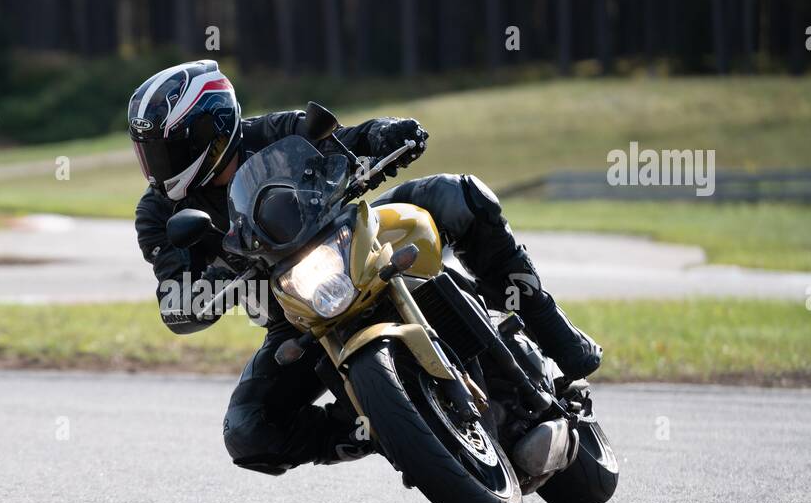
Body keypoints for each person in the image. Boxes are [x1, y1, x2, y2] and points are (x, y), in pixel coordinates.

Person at [130, 59, 601, 476]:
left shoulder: (273, 133)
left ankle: (553, 330)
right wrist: (194, 297)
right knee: (248, 431)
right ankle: (381, 427)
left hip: (358, 248)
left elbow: (344, 142)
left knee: (459, 195)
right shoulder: (159, 214)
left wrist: (384, 133)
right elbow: (174, 287)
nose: (155, 166)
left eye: (166, 149)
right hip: (294, 316)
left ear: (210, 130)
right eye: (146, 151)